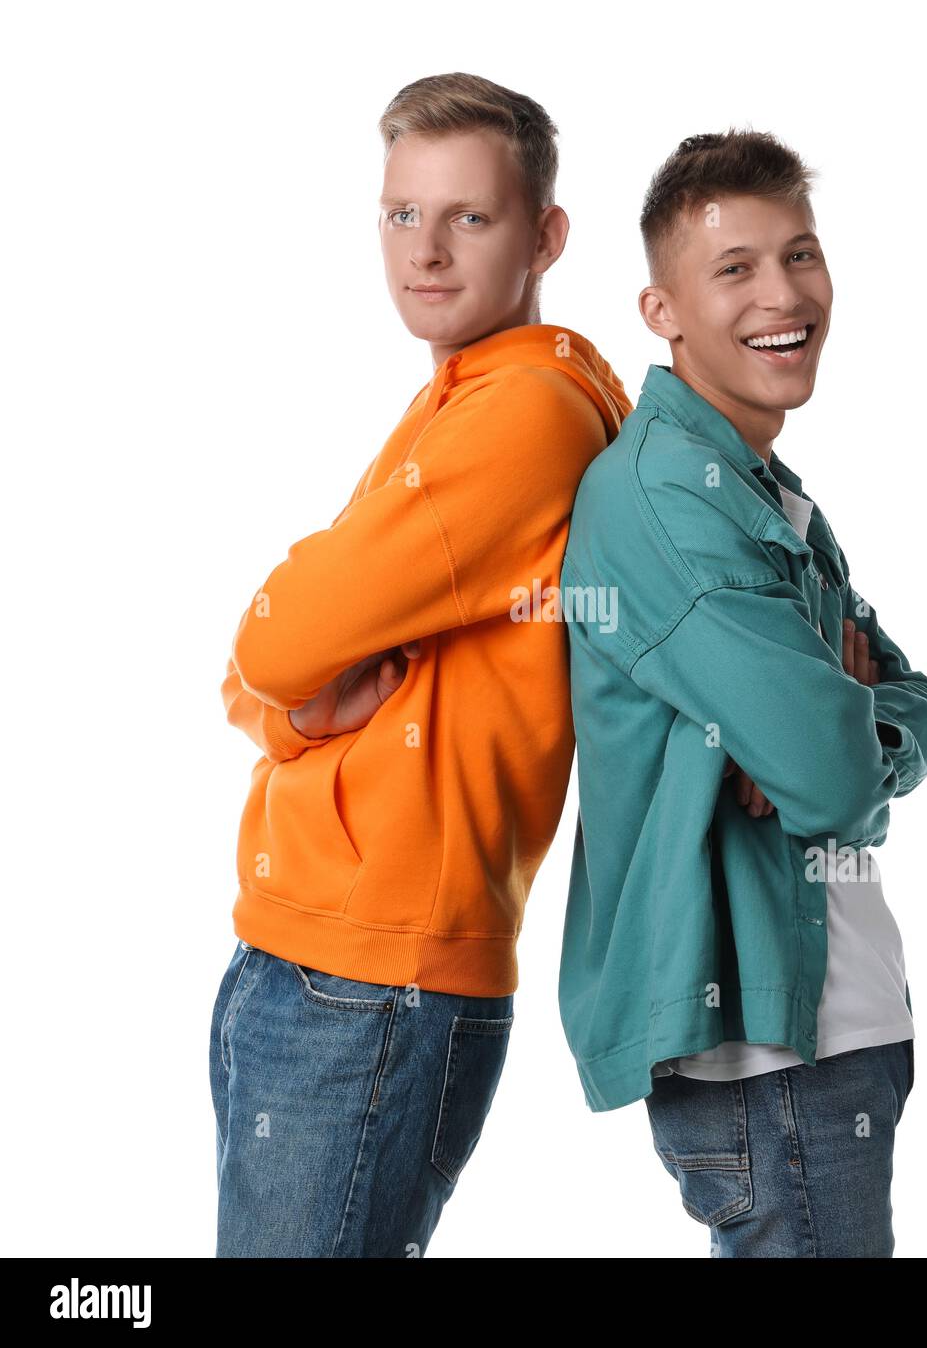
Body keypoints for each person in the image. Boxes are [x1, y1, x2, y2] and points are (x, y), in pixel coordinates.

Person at [211, 72, 631, 1258]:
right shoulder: (458, 396)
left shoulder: (525, 412)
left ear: (546, 234)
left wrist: (286, 674)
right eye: (401, 214)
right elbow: (276, 674)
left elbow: (273, 640)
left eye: (469, 217)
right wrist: (292, 710)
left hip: (373, 979)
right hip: (318, 956)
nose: (425, 251)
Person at [558, 128, 927, 1257]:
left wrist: (847, 717)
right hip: (770, 1058)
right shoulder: (665, 500)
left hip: (830, 1027)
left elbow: (914, 698)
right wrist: (835, 730)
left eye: (799, 254)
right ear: (661, 309)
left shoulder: (763, 491)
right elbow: (827, 776)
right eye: (733, 268)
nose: (783, 293)